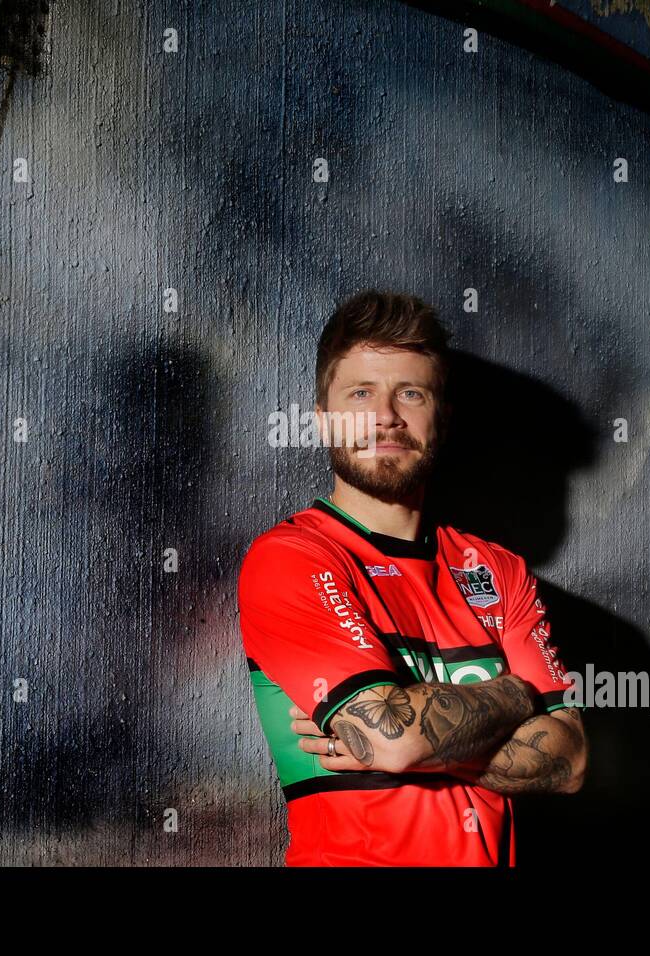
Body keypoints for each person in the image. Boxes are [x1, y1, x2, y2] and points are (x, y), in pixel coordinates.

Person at [237, 289, 588, 866]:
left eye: (411, 393)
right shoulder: (293, 558)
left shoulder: (497, 571)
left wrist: (414, 735)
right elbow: (391, 737)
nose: (386, 416)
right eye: (361, 393)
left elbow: (569, 761)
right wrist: (516, 696)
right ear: (323, 420)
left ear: (441, 418)